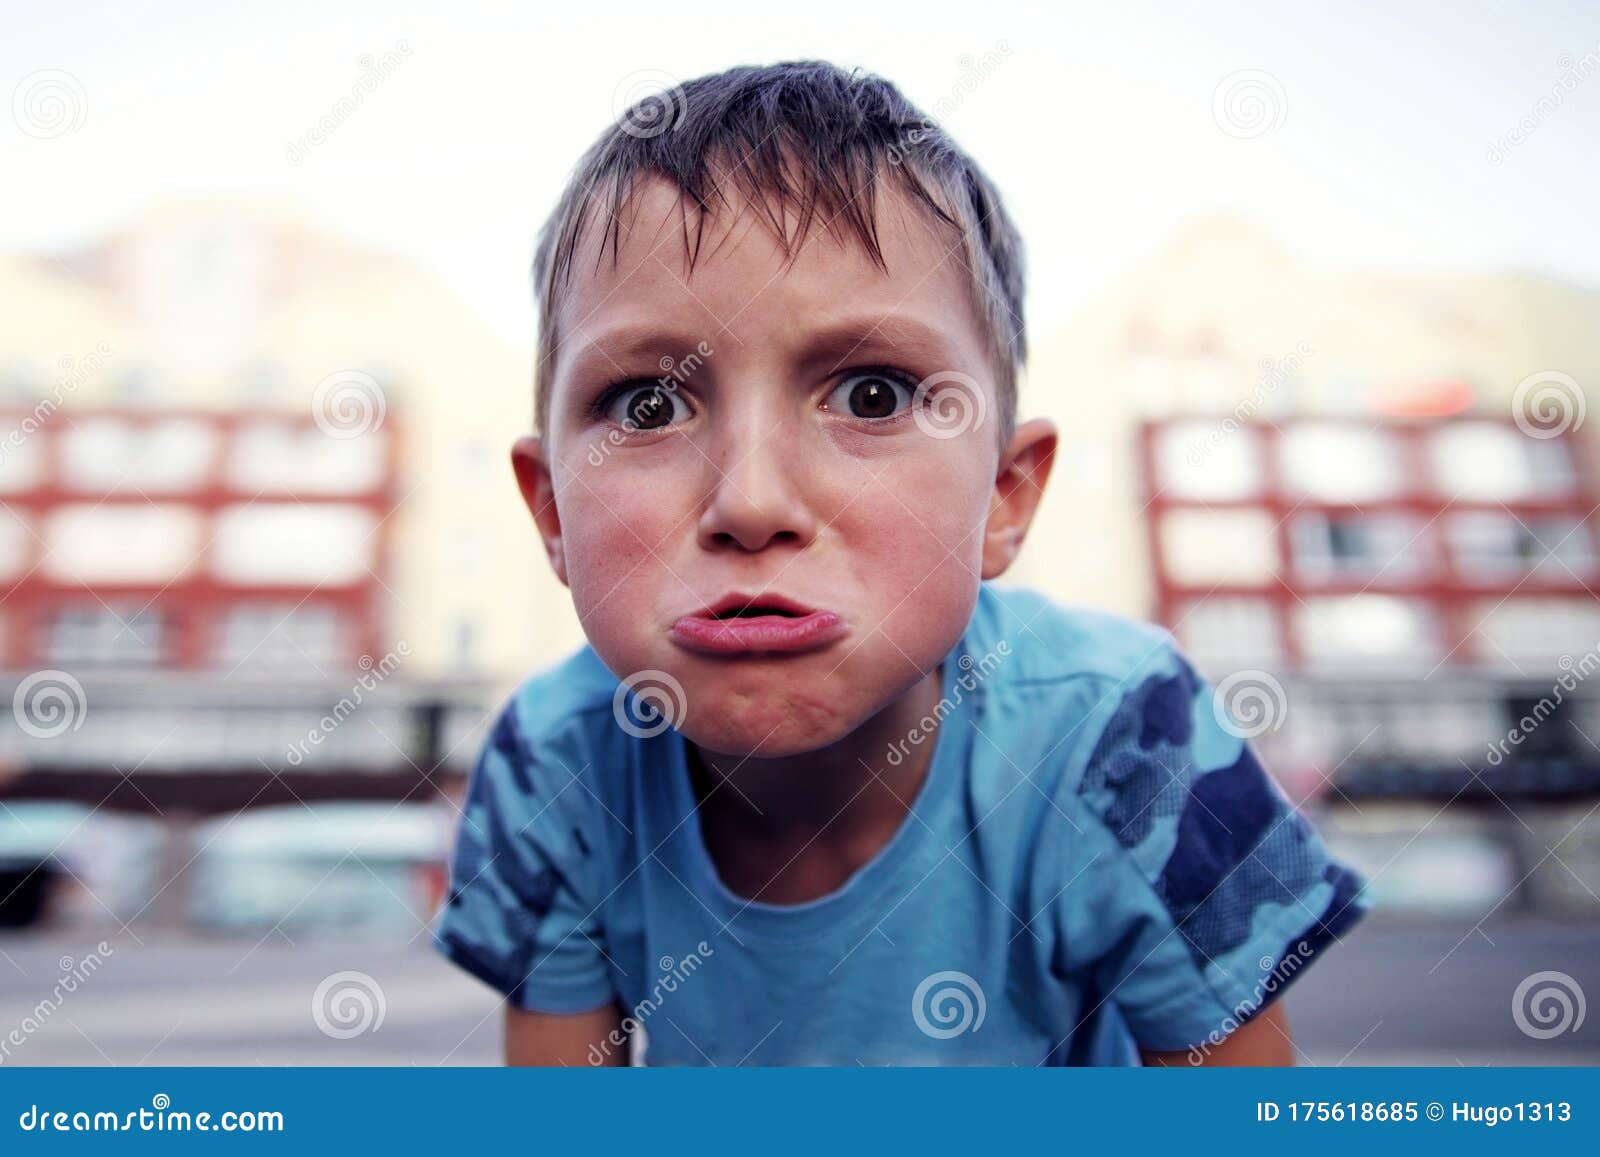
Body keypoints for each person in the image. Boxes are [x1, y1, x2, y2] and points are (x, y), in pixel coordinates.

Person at [431, 60, 1369, 1066]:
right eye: (648, 407)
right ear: (551, 513)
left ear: (1005, 497)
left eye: (872, 395)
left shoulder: (1127, 743)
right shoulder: (555, 764)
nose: (751, 501)